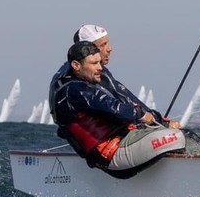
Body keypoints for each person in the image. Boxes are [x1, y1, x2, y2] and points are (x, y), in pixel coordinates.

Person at [50, 41, 186, 177]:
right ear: (76, 65)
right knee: (176, 136)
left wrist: (157, 120)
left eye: (99, 62)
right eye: (94, 63)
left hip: (122, 142)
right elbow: (113, 106)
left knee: (184, 134)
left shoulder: (78, 88)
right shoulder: (74, 90)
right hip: (112, 154)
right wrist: (141, 114)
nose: (100, 68)